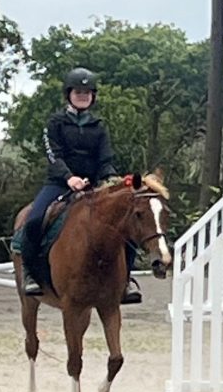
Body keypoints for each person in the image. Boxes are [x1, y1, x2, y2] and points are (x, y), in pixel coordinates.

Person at [18, 67, 139, 302]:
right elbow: (53, 155)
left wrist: (111, 180)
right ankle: (30, 273)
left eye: (87, 92)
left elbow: (105, 159)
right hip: (59, 183)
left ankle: (127, 280)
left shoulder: (99, 126)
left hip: (93, 185)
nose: (83, 95)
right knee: (33, 220)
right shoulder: (55, 123)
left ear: (93, 96)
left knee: (127, 223)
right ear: (69, 94)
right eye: (78, 91)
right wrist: (69, 177)